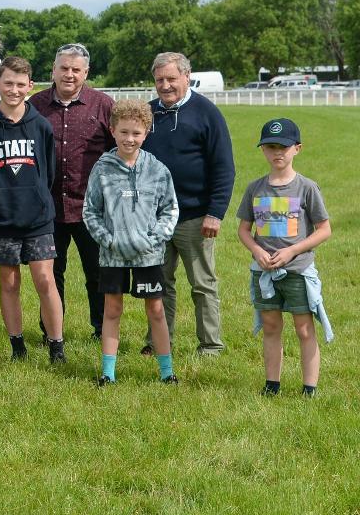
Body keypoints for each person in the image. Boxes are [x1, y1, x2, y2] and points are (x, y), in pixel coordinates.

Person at [0, 56, 66, 363]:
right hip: (2, 217)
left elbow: (48, 173)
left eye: (20, 84)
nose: (14, 90)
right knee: (9, 283)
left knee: (45, 280)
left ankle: (56, 346)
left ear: (30, 86)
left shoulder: (41, 125)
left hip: (38, 217)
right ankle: (18, 346)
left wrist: (36, 198)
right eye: (8, 83)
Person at [141, 51, 234, 356]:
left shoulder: (207, 113)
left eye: (171, 78)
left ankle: (210, 345)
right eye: (159, 80)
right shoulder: (148, 113)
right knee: (159, 284)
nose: (165, 85)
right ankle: (158, 342)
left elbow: (224, 167)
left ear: (186, 76)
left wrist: (215, 213)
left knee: (202, 284)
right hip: (155, 218)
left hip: (195, 216)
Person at [83, 100, 180, 385]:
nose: (129, 139)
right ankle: (108, 374)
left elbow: (170, 209)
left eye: (136, 133)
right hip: (112, 254)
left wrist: (153, 239)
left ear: (146, 133)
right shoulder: (102, 169)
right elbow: (90, 211)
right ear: (112, 131)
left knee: (156, 310)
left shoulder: (157, 169)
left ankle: (167, 373)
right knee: (112, 309)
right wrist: (108, 240)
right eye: (124, 132)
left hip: (148, 254)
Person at [236, 118, 333, 397]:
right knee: (270, 325)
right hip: (264, 272)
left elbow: (324, 229)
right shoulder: (255, 188)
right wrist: (257, 250)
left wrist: (292, 251)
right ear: (262, 150)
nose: (277, 152)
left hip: (297, 271)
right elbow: (243, 230)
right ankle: (272, 385)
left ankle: (309, 388)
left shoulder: (306, 187)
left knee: (304, 329)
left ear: (297, 149)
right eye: (270, 147)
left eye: (284, 147)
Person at [27, 42, 115, 339]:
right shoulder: (35, 105)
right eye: (64, 68)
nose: (69, 74)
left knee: (98, 272)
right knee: (51, 274)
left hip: (93, 206)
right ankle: (52, 332)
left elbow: (119, 151)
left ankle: (102, 329)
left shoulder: (103, 105)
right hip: (47, 205)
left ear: (86, 73)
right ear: (53, 70)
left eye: (76, 70)